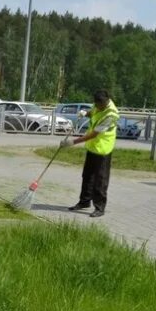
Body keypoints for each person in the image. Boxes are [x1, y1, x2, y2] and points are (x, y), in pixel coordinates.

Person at [60, 89, 119, 218]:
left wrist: (72, 142)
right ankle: (84, 201)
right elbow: (92, 113)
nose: (97, 107)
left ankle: (100, 207)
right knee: (87, 176)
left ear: (106, 101)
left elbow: (93, 134)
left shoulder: (111, 115)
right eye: (96, 104)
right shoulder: (97, 104)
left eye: (99, 105)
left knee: (100, 180)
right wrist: (85, 113)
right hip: (93, 148)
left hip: (103, 150)